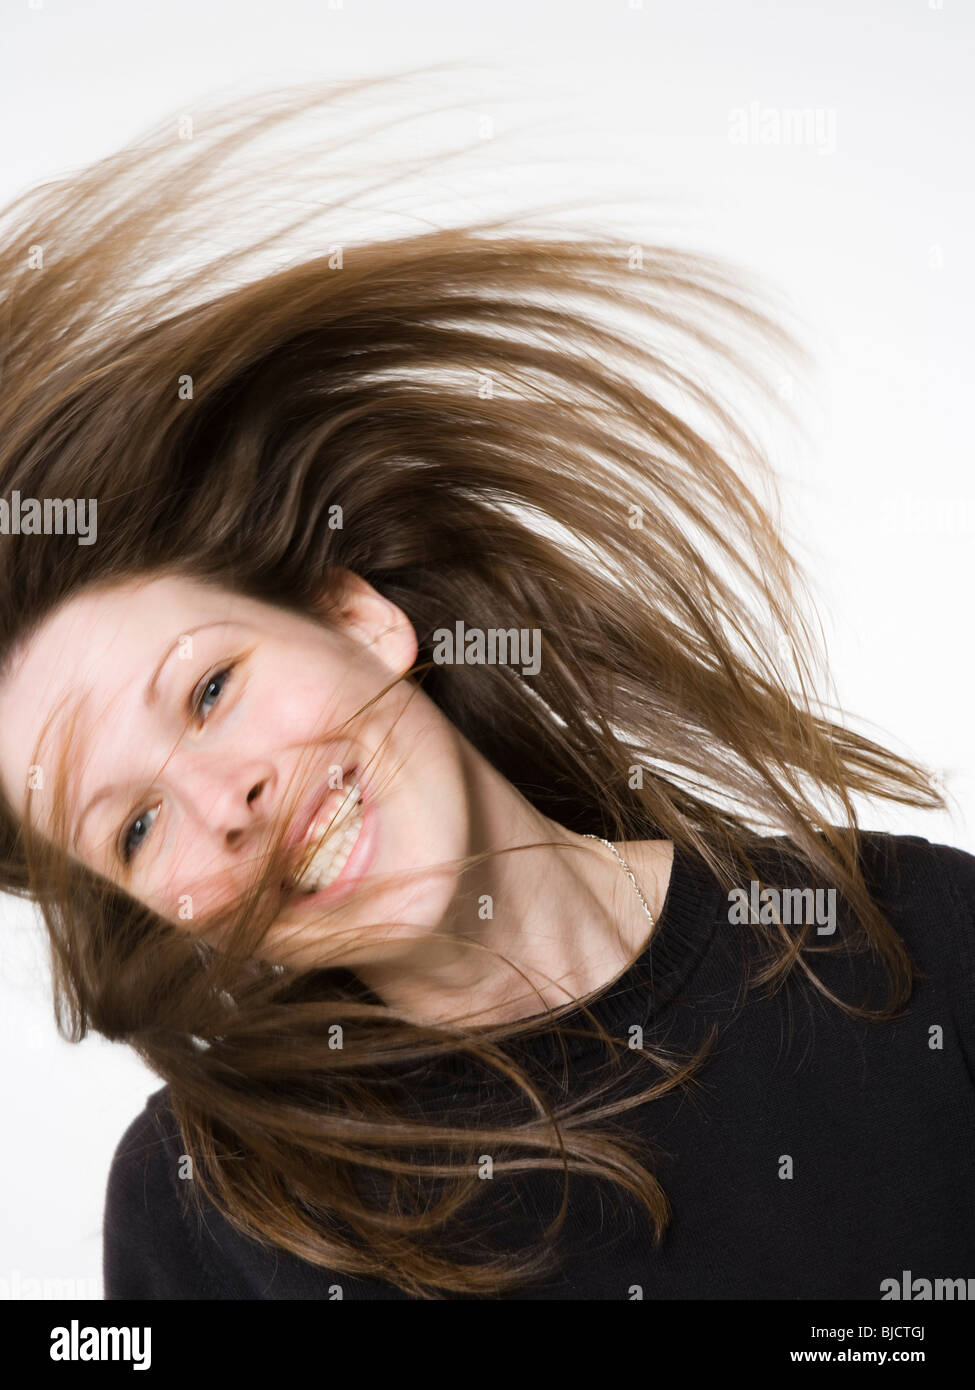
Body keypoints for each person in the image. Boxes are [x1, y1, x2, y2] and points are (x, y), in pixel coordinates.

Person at [0, 75, 971, 1302]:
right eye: (134, 826)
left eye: (209, 692)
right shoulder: (200, 1214)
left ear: (359, 617)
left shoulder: (921, 945)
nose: (222, 799)